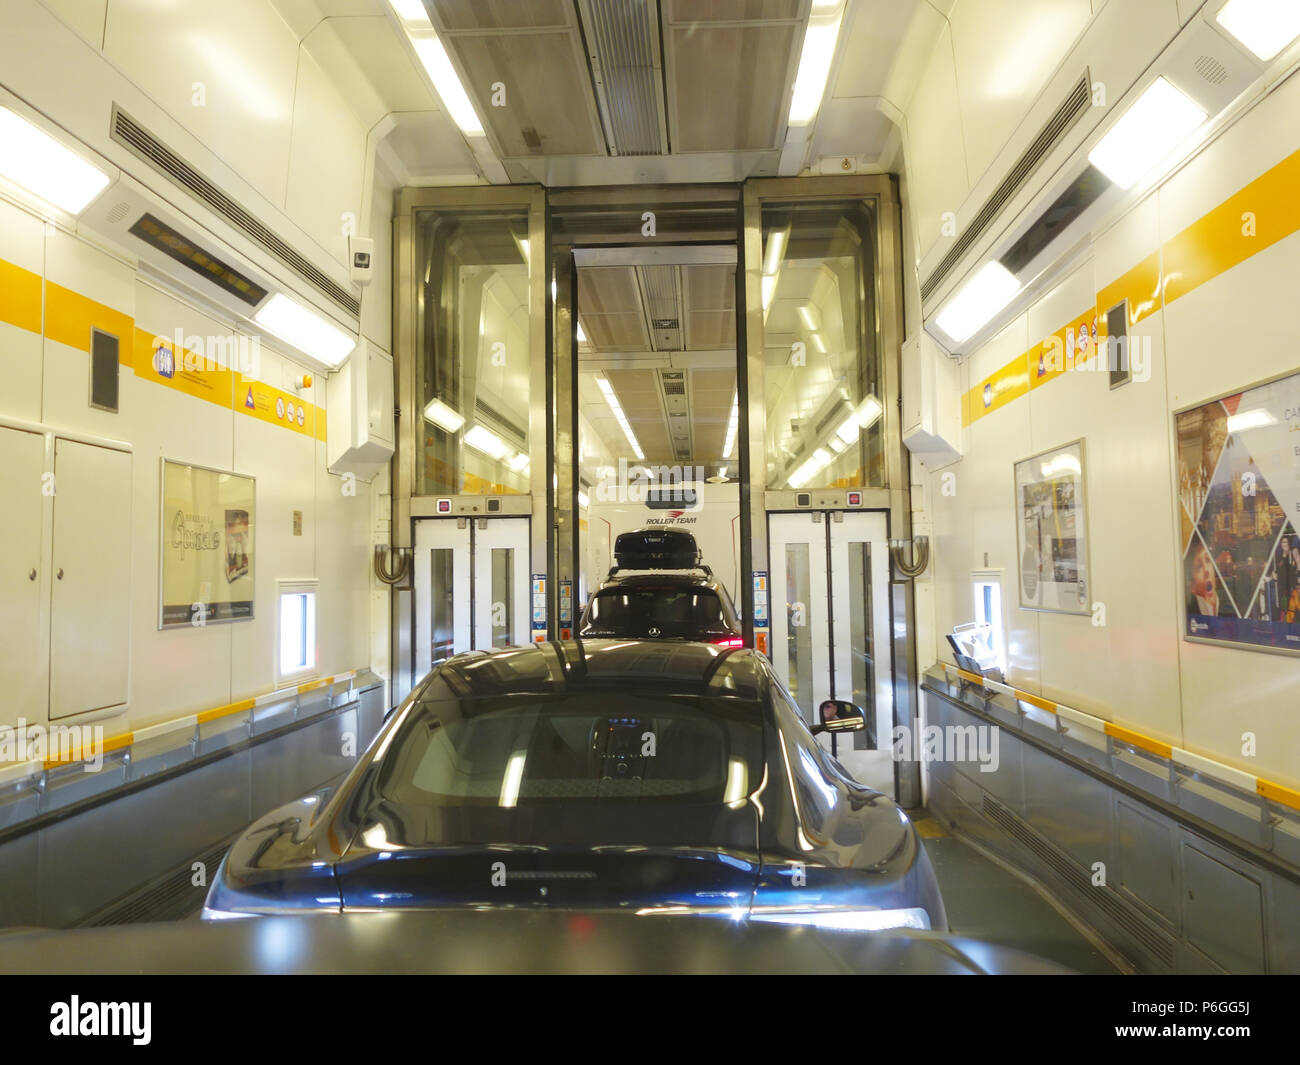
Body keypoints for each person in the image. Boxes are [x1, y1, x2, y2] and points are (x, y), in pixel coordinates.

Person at [1187, 542, 1221, 617]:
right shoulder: (1191, 612)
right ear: (1192, 586)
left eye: (1208, 560)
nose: (1206, 570)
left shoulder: (1227, 602)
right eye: (1199, 566)